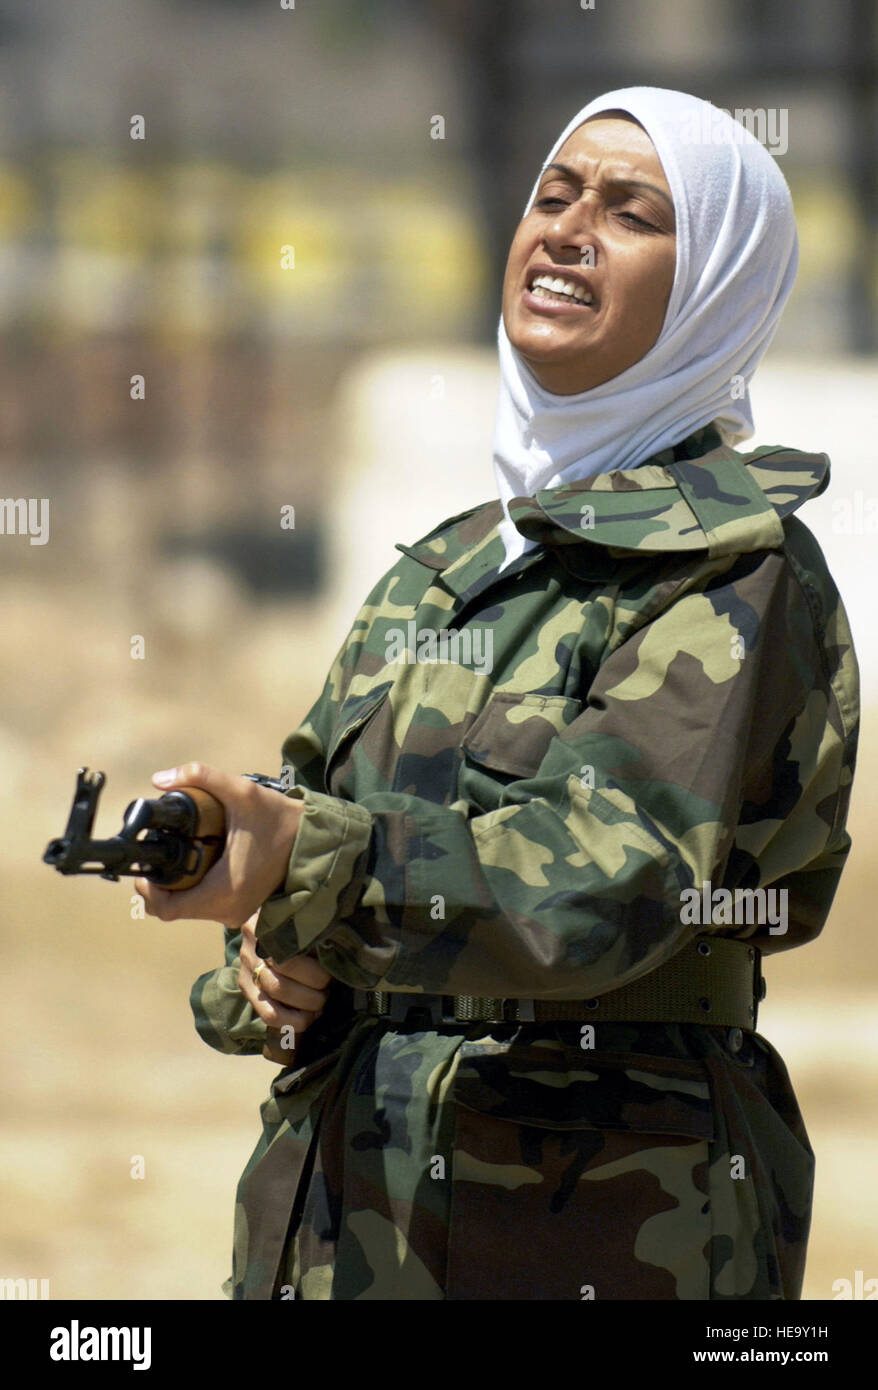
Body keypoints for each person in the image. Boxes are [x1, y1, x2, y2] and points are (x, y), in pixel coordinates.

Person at [136, 86, 860, 1301]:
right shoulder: (448, 562)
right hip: (345, 1221)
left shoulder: (733, 568)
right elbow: (313, 827)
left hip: (599, 1215)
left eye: (632, 213)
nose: (570, 228)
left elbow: (608, 878)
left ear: (716, 286)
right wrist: (262, 946)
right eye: (554, 194)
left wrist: (317, 861)